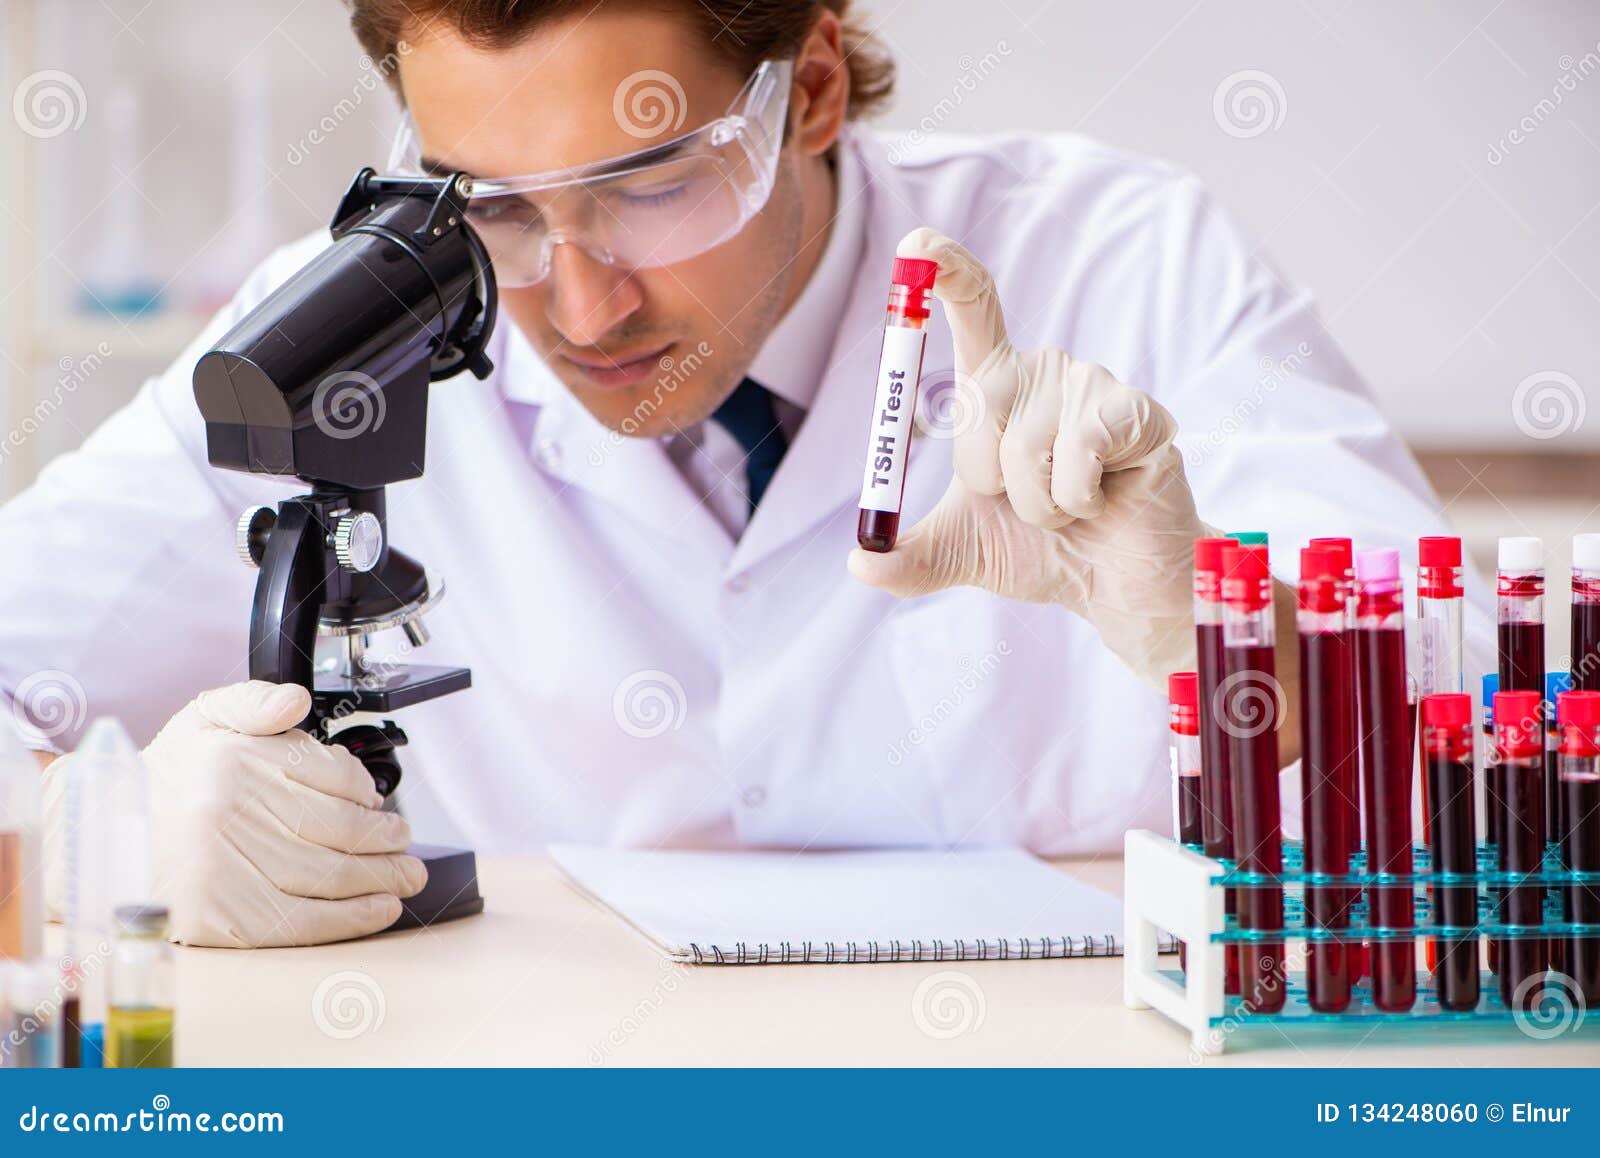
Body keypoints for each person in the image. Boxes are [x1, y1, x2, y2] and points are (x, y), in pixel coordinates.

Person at [1, 0, 1488, 947]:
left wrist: (1221, 636)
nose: (580, 308)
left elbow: (1497, 757)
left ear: (815, 86)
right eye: (497, 210)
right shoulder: (337, 343)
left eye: (650, 185)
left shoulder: (1126, 262)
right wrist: (88, 833)